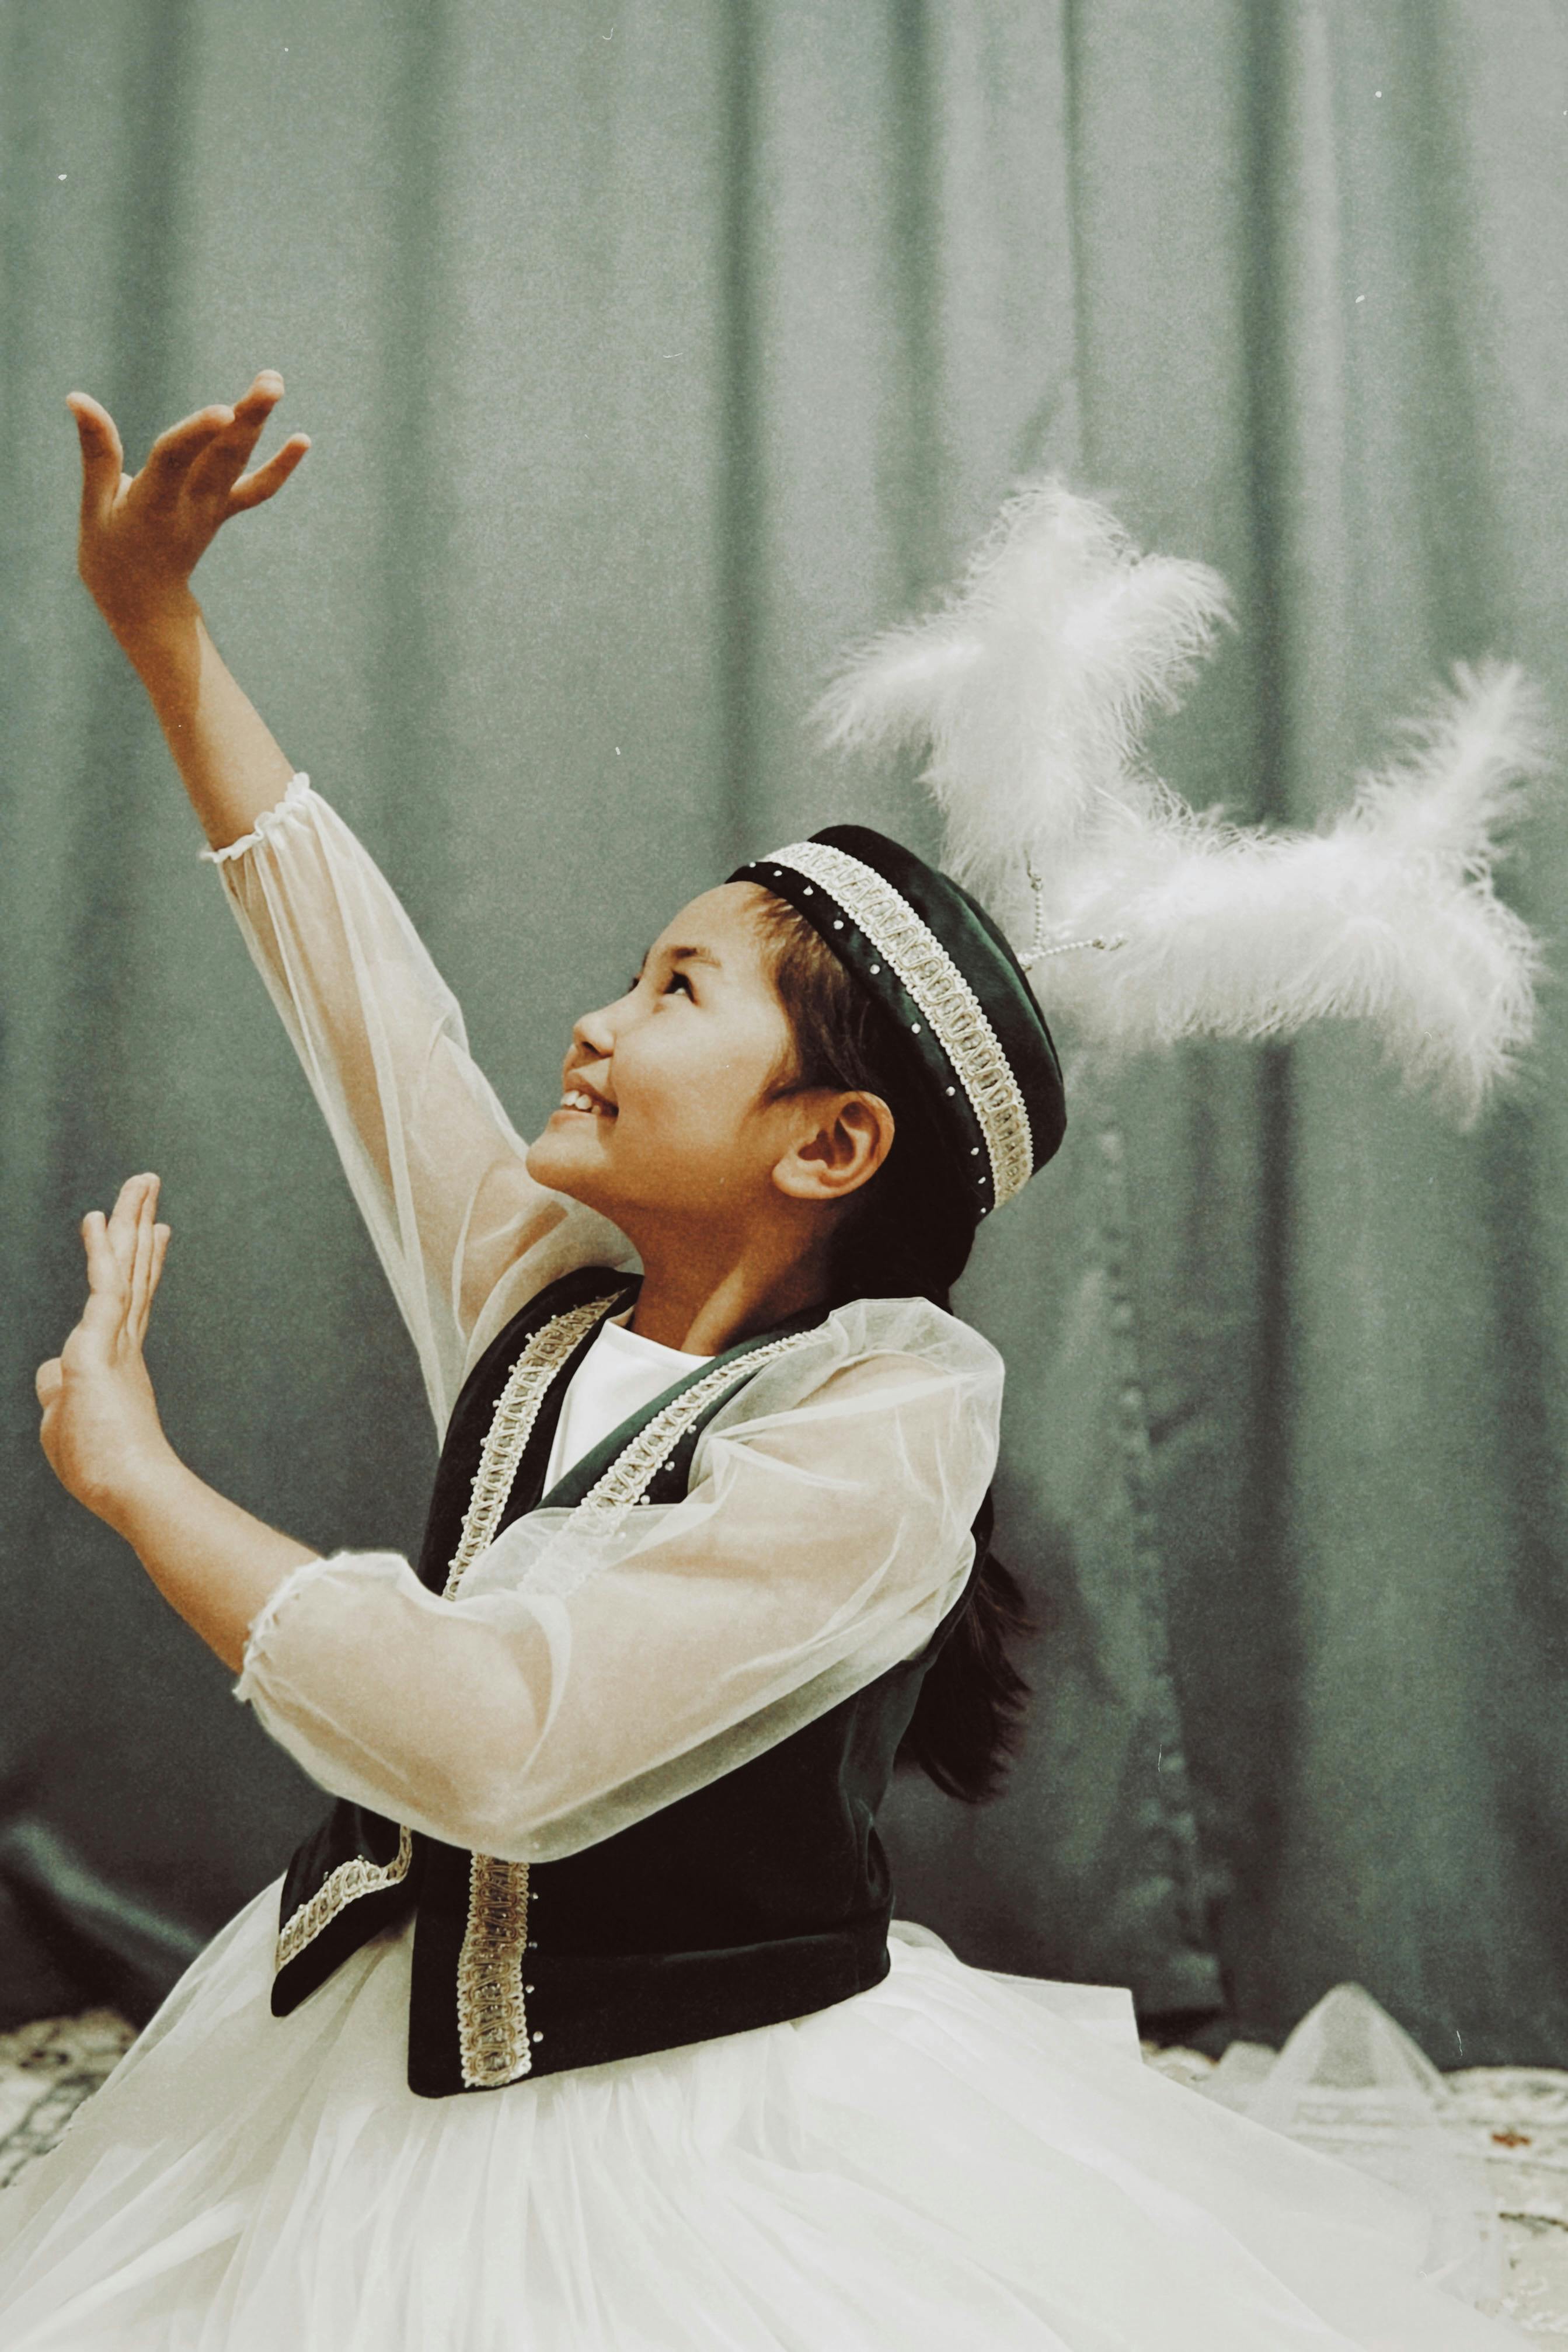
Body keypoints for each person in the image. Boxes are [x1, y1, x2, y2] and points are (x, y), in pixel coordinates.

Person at [0, 371, 1527, 2347]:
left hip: (685, 2144)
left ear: (830, 1143)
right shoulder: (542, 1298)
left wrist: (138, 1476)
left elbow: (499, 1739)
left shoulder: (886, 1424)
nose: (595, 1019)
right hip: (376, 2064)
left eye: (675, 990)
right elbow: (366, 1006)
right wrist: (166, 631)